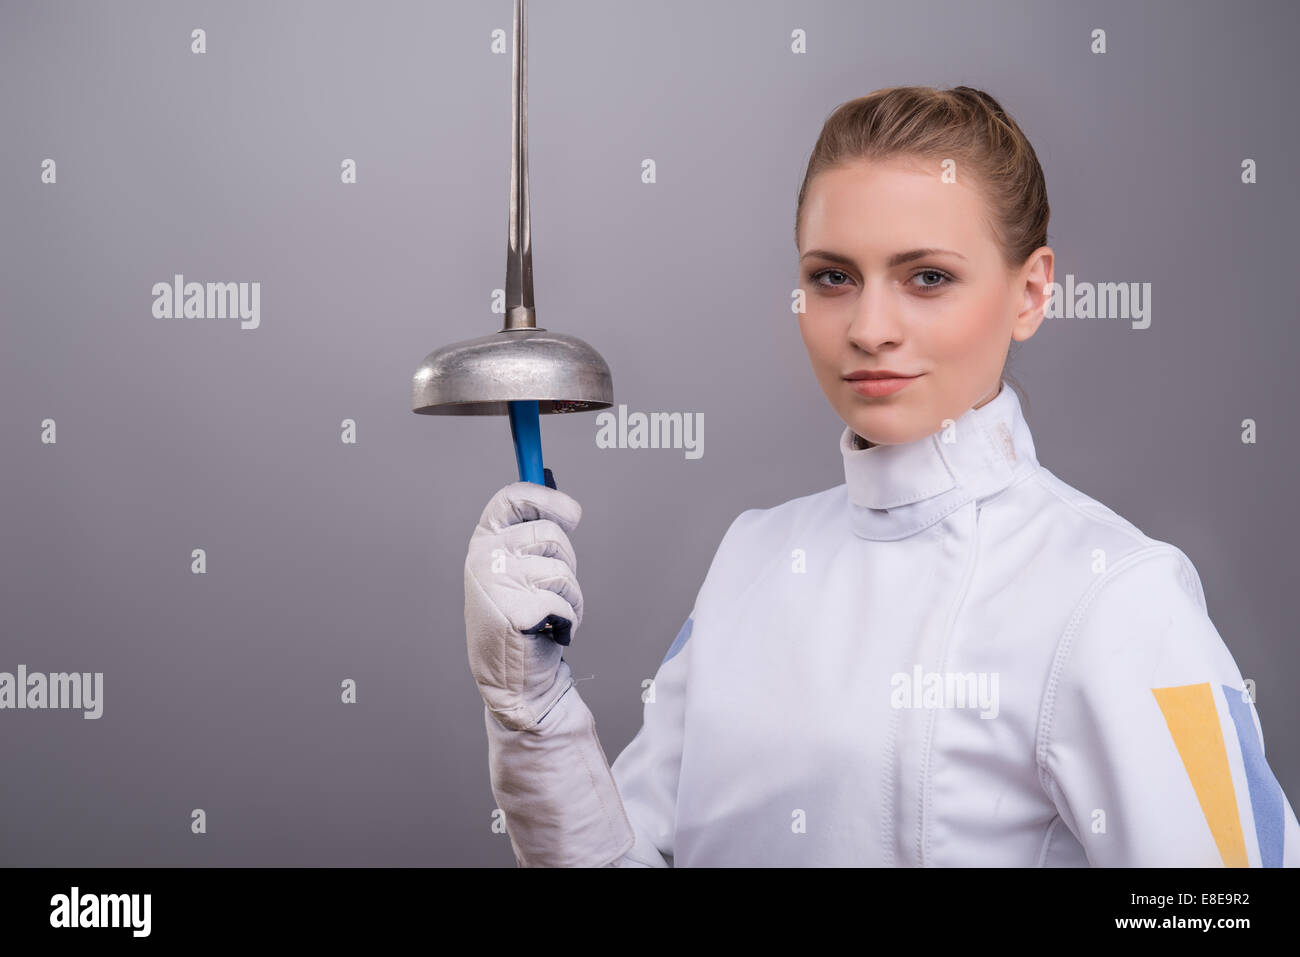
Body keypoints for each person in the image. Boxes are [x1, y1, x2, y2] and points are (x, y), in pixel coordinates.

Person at [463, 85, 1300, 867]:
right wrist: (534, 711)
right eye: (833, 277)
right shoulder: (753, 557)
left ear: (1031, 292)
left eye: (927, 277)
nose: (869, 328)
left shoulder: (1117, 595)